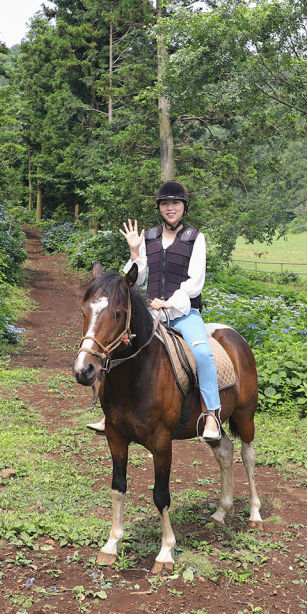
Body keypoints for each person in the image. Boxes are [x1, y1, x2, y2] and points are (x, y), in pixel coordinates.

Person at [88, 180, 222, 442]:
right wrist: (135, 250)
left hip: (183, 313)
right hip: (149, 313)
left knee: (203, 353)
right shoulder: (149, 236)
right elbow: (135, 280)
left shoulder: (196, 238)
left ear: (184, 206)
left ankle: (211, 416)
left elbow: (195, 283)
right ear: (159, 208)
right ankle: (109, 412)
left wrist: (170, 302)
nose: (169, 208)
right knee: (116, 346)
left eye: (175, 203)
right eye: (165, 204)